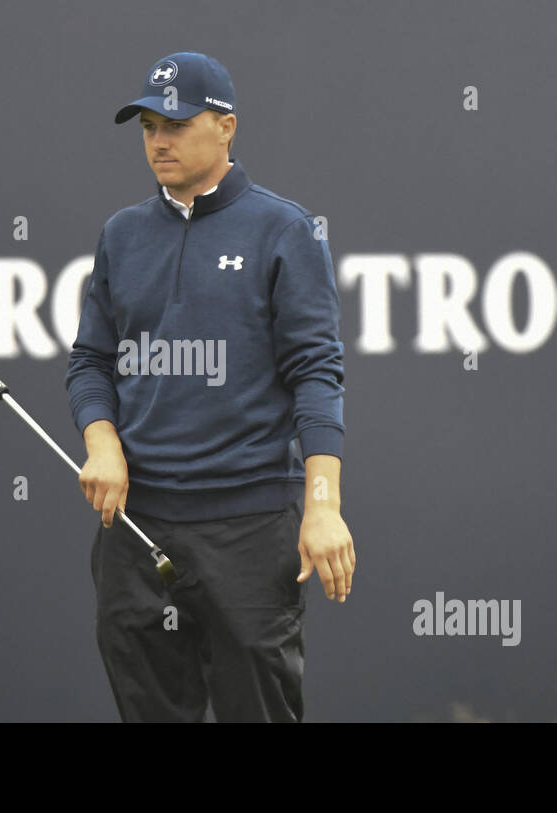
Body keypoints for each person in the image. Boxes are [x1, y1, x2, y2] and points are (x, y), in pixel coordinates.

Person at [65, 51, 355, 723]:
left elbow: (316, 372)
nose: (159, 140)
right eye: (147, 126)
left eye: (175, 122)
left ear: (226, 127)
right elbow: (90, 361)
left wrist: (322, 504)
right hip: (137, 528)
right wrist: (102, 439)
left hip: (250, 529)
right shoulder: (122, 234)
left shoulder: (285, 229)